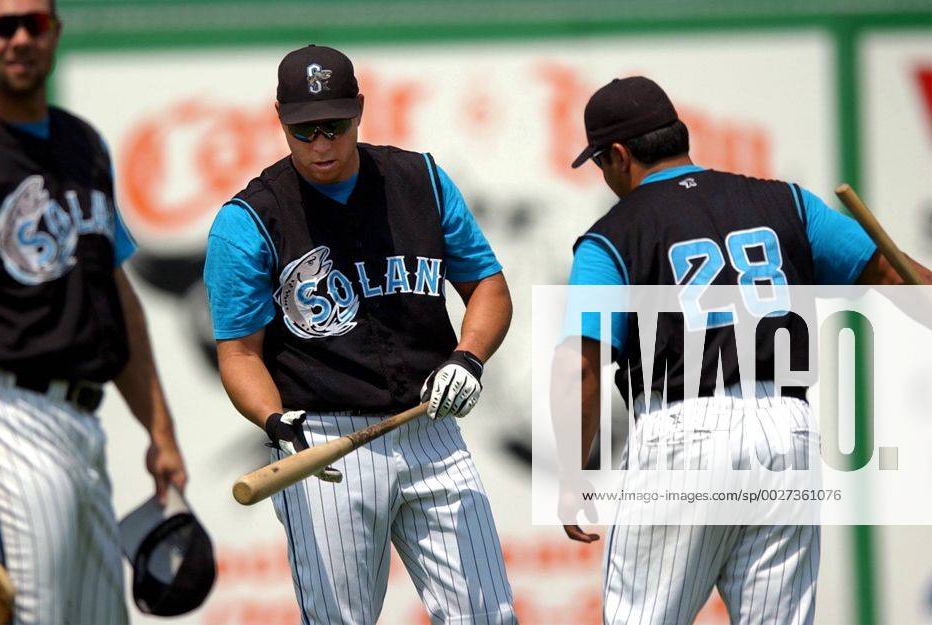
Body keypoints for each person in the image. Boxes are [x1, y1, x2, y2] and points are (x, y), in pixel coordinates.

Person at [554, 76, 932, 625]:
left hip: (681, 433)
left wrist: (570, 473)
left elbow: (581, 366)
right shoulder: (787, 202)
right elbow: (897, 276)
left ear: (618, 155)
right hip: (788, 432)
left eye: (600, 163)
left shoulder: (612, 235)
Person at [204, 44, 517, 625]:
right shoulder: (248, 221)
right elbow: (240, 354)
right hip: (322, 442)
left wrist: (468, 359)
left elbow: (489, 289)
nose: (321, 143)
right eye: (305, 130)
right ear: (280, 120)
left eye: (335, 125)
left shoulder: (419, 180)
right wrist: (275, 421)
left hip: (430, 426)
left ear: (360, 112)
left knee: (487, 616)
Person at [0, 0, 189, 623]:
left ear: (56, 32)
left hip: (83, 428)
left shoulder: (84, 145)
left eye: (34, 23)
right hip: (6, 419)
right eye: (2, 26)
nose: (20, 38)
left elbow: (119, 301)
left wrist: (158, 430)